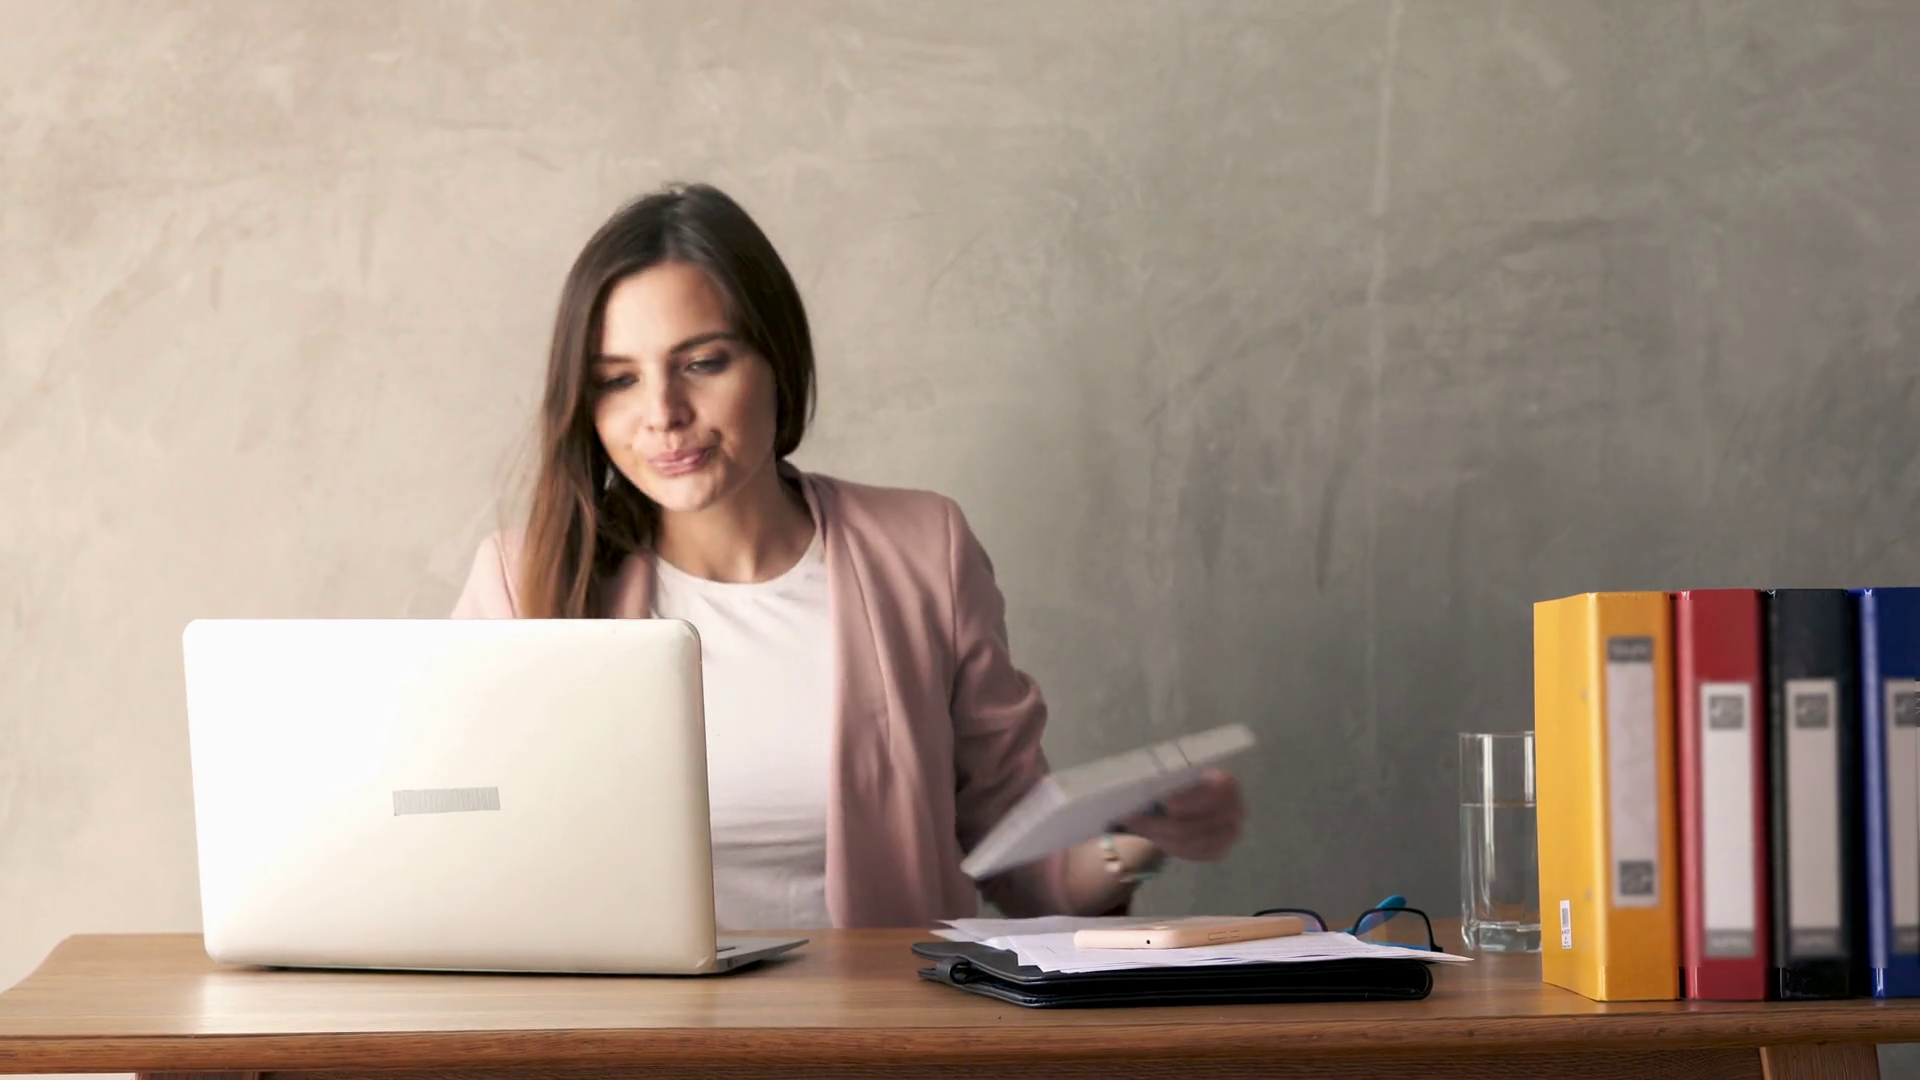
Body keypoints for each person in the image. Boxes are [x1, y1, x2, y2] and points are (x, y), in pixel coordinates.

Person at [451, 182, 1246, 930]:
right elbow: (450, 848)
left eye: (703, 363)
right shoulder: (525, 581)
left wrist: (1132, 841)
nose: (662, 414)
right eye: (618, 380)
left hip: (880, 1051)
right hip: (624, 1057)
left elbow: (1021, 861)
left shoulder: (921, 552)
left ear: (776, 362)